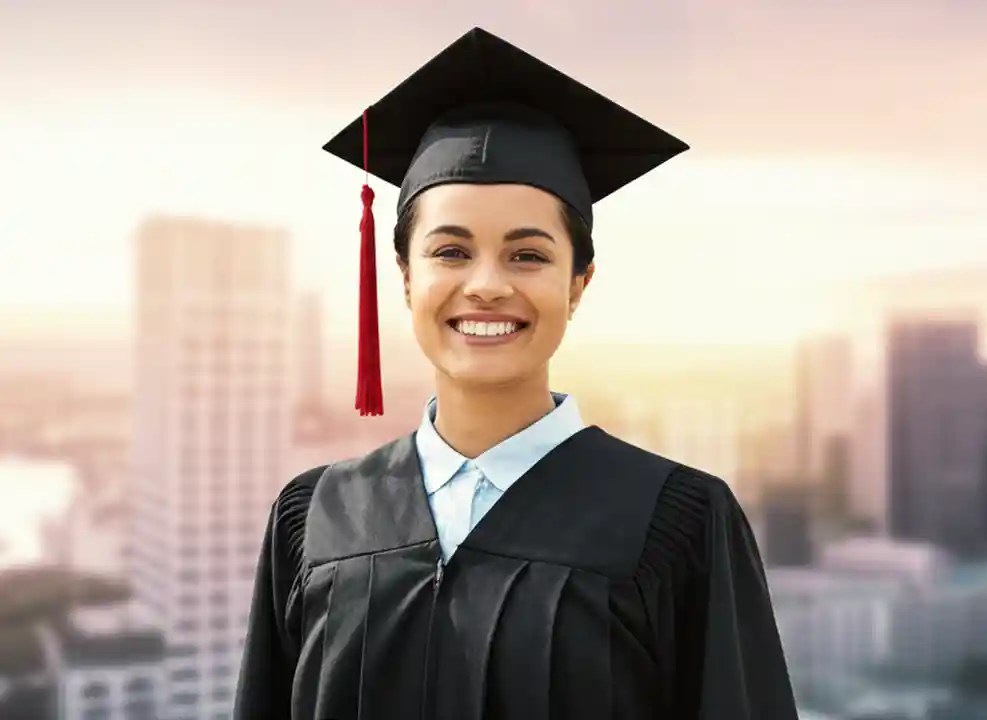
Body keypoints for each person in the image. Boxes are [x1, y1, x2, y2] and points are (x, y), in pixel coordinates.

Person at [233, 27, 798, 720]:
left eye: (528, 256)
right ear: (407, 279)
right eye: (450, 251)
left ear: (579, 283)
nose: (487, 285)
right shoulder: (317, 520)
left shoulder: (677, 526)